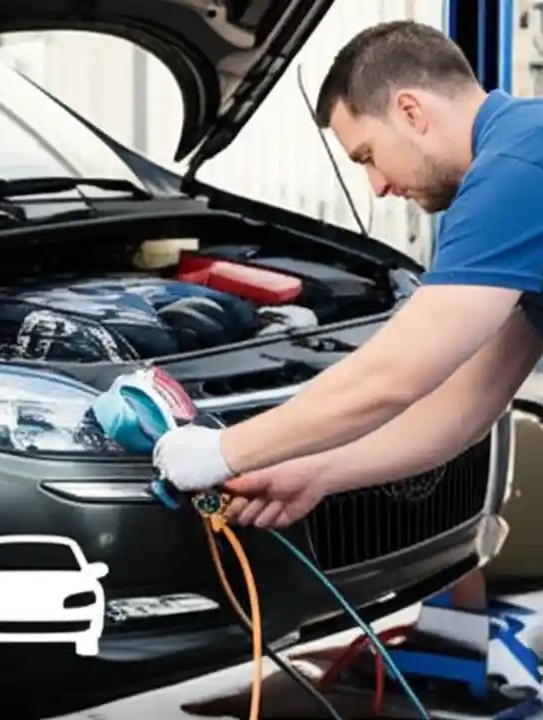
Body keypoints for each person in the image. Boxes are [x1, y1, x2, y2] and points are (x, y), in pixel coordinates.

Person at [152, 20, 543, 532]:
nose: (377, 186)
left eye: (367, 156)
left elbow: (392, 377)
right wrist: (317, 472)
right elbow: (463, 407)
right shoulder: (525, 153)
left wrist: (222, 450)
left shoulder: (516, 169)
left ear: (410, 111)